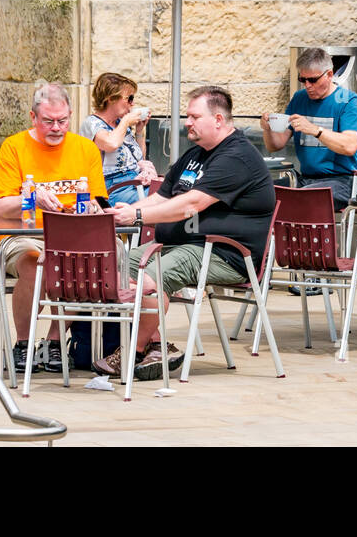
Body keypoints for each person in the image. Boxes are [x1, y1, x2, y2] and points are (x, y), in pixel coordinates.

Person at [106, 85, 275, 381]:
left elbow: (193, 204)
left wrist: (137, 214)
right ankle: (158, 346)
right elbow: (164, 197)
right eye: (187, 116)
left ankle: (132, 352)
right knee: (114, 263)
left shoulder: (237, 157)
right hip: (180, 246)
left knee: (150, 274)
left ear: (219, 120)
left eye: (194, 116)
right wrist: (123, 212)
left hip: (224, 253)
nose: (188, 122)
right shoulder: (195, 155)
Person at [0, 82, 108, 374]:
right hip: (25, 235)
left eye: (63, 121)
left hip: (73, 236)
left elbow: (99, 201)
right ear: (33, 118)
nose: (56, 128)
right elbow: (0, 208)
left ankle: (54, 342)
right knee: (33, 263)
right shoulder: (14, 147)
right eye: (48, 121)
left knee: (82, 262)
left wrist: (94, 207)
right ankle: (22, 344)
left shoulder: (85, 148)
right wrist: (31, 198)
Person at [261, 47, 357, 211]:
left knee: (304, 196)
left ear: (329, 75)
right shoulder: (299, 98)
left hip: (343, 181)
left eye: (313, 80)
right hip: (306, 180)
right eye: (303, 80)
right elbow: (276, 145)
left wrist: (315, 130)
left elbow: (350, 146)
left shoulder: (349, 101)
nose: (307, 86)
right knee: (262, 192)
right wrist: (267, 129)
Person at [80, 72, 157, 205]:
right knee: (162, 199)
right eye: (129, 98)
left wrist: (139, 131)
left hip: (134, 182)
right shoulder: (92, 123)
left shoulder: (119, 123)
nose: (132, 104)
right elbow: (111, 144)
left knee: (173, 191)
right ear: (111, 98)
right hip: (113, 188)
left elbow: (139, 158)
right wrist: (126, 121)